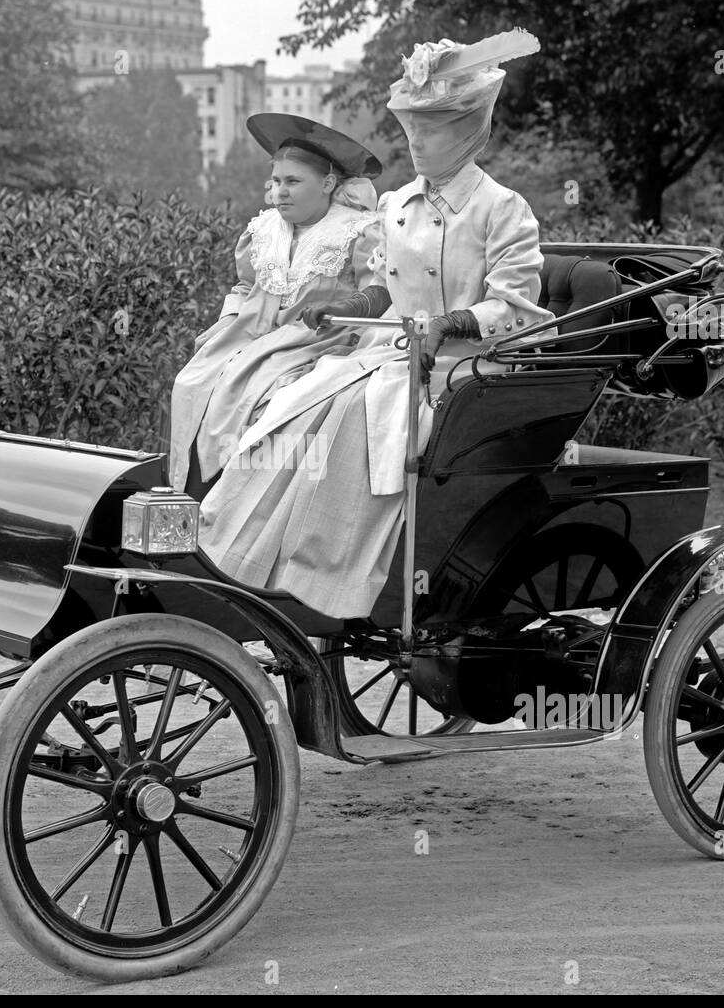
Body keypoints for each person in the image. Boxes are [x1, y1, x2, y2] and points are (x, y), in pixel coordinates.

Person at [197, 30, 557, 619]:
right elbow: (388, 286)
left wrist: (450, 322)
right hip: (394, 349)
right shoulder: (397, 205)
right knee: (296, 401)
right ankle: (247, 552)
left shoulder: (501, 208)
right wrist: (353, 307)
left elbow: (516, 309)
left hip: (468, 363)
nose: (416, 143)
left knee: (353, 416)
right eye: (411, 129)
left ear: (468, 133)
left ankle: (326, 572)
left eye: (431, 130)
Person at [167, 115, 383, 493]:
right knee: (192, 382)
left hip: (315, 341)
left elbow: (378, 293)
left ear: (328, 184)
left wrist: (344, 313)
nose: (280, 192)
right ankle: (186, 495)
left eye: (293, 182)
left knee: (266, 398)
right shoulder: (265, 228)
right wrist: (226, 321)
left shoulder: (357, 230)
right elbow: (244, 286)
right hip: (248, 334)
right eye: (276, 181)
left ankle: (240, 498)